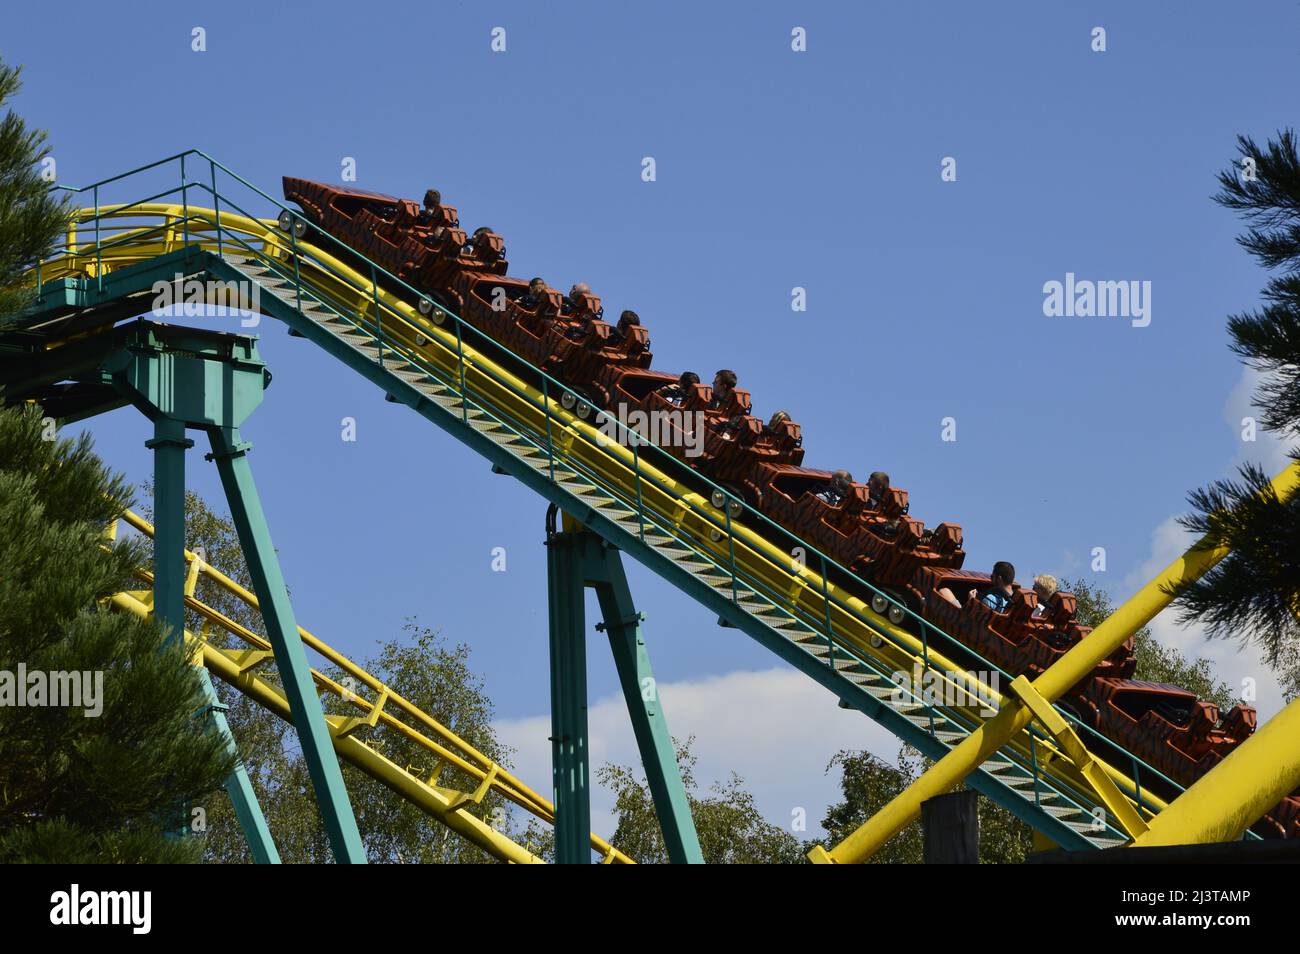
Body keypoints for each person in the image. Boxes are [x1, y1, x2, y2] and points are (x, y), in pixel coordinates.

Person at [938, 561, 1016, 613]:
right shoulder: (1016, 602)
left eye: (992, 577)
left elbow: (975, 621)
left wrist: (971, 601)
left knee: (944, 591)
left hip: (969, 629)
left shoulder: (991, 599)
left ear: (999, 579)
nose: (991, 579)